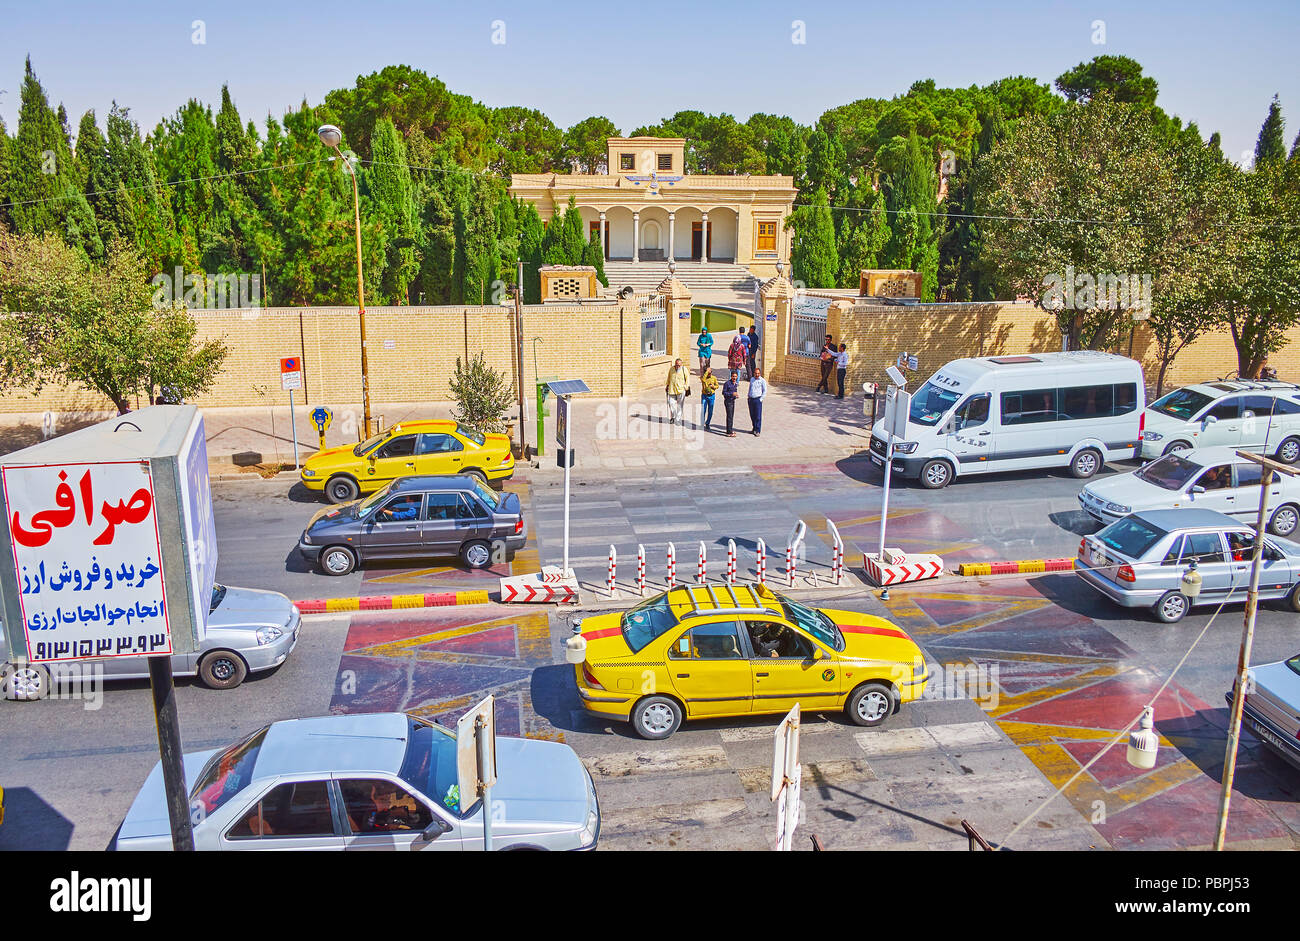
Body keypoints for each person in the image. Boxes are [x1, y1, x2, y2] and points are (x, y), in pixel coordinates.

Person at [665, 358, 690, 425]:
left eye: (679, 365)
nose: (677, 366)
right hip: (672, 389)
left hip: (681, 390)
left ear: (681, 364)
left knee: (679, 406)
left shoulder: (684, 369)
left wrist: (686, 387)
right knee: (671, 404)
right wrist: (667, 385)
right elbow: (669, 377)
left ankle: (678, 419)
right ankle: (673, 416)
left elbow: (687, 379)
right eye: (676, 365)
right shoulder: (671, 369)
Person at [748, 367, 767, 436]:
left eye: (758, 373)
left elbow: (765, 391)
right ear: (754, 373)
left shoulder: (762, 381)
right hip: (751, 399)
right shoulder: (752, 379)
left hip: (757, 399)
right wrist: (748, 396)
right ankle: (754, 428)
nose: (757, 375)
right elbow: (750, 388)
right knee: (752, 415)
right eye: (756, 373)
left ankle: (758, 430)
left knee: (758, 416)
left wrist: (761, 399)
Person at [722, 369, 739, 437]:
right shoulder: (727, 383)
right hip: (728, 402)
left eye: (735, 376)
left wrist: (735, 396)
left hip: (732, 401)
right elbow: (724, 393)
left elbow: (734, 392)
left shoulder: (735, 384)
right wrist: (732, 394)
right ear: (731, 376)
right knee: (729, 416)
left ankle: (729, 430)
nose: (734, 378)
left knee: (731, 416)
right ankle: (729, 432)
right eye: (733, 376)